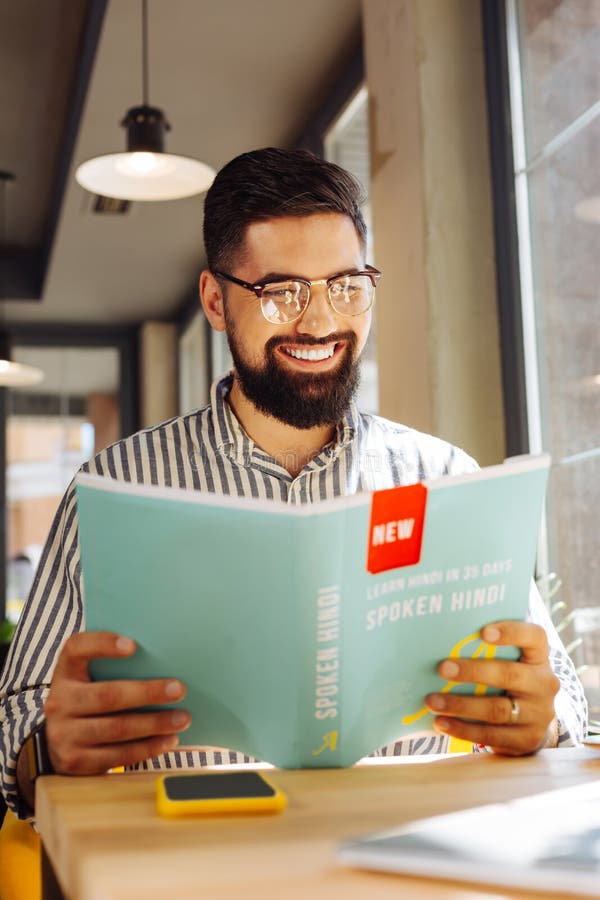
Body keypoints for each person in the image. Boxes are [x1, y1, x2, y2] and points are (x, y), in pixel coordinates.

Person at [0, 148, 587, 820]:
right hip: (196, 858)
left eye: (346, 286)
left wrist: (540, 719)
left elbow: (563, 699)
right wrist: (48, 746)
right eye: (280, 292)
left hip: (411, 856)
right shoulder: (114, 488)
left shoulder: (445, 478)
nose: (320, 322)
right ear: (215, 301)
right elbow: (15, 722)